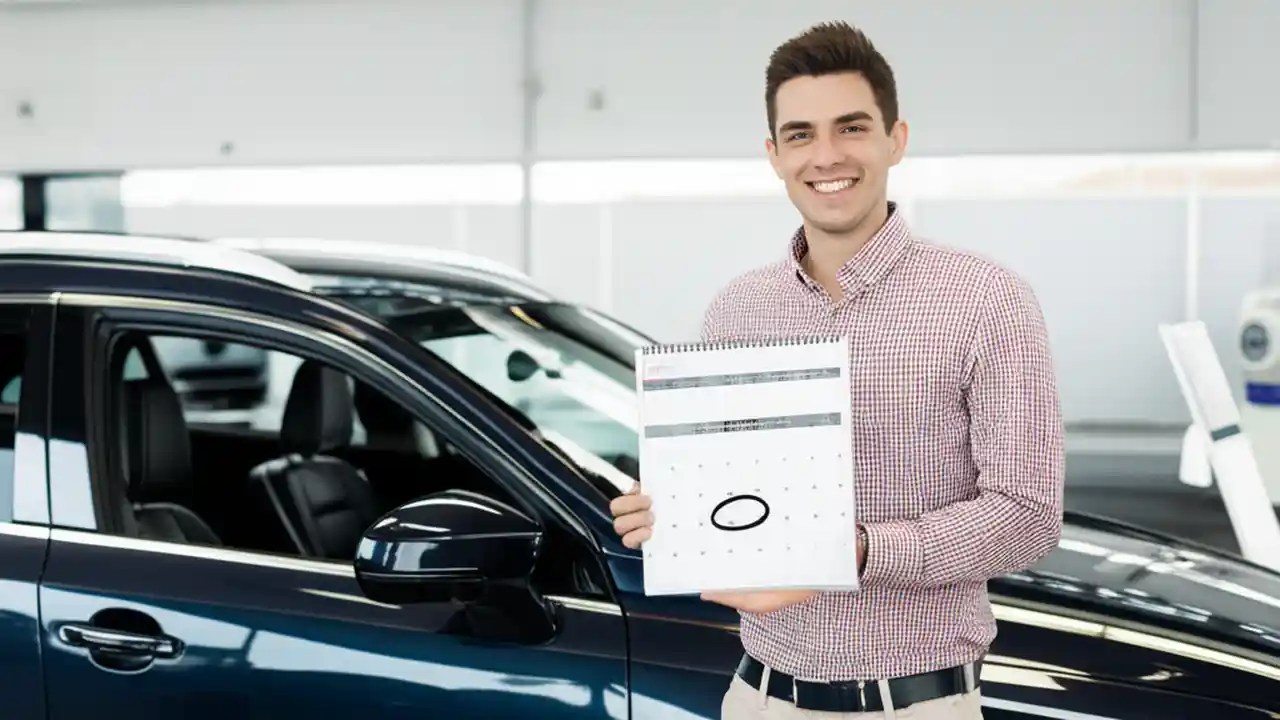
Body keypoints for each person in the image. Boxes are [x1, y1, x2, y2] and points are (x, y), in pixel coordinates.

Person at [610, 20, 1065, 720]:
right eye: (800, 135)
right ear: (773, 153)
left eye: (851, 128)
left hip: (912, 705)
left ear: (895, 139)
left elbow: (1027, 516)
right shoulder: (738, 310)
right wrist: (670, 510)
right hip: (757, 696)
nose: (826, 156)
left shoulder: (987, 300)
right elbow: (736, 489)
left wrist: (855, 551)